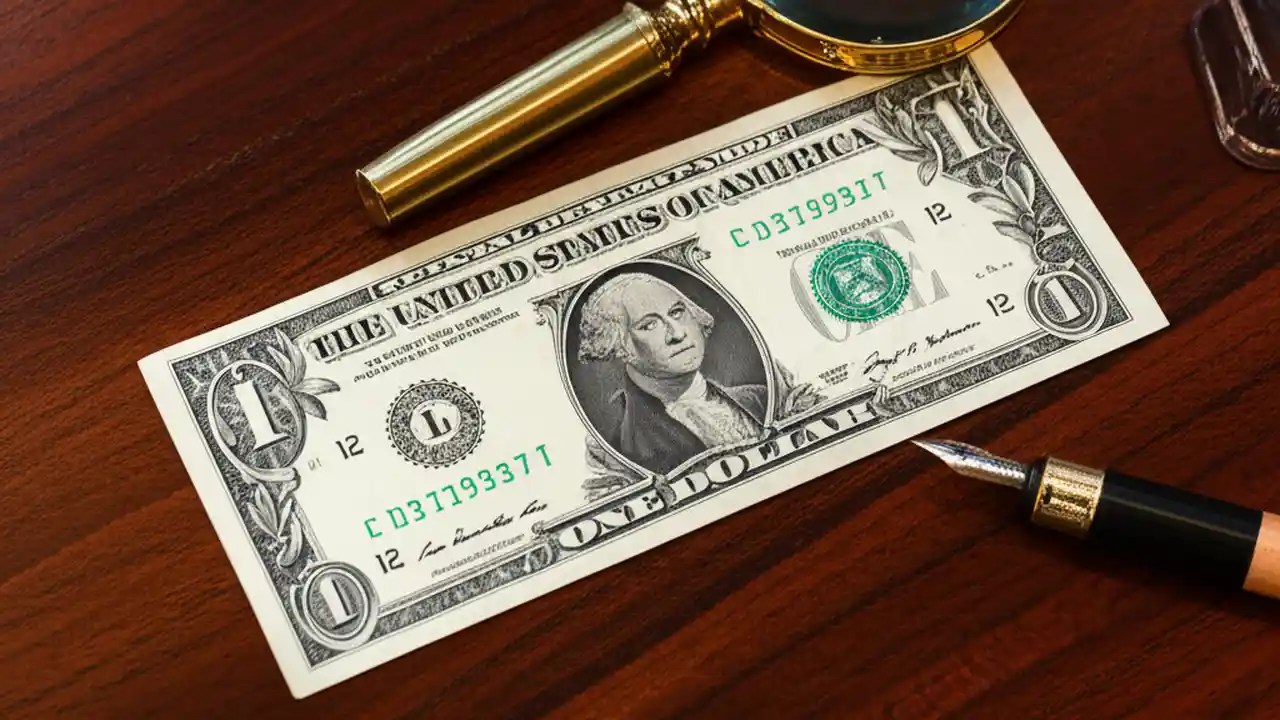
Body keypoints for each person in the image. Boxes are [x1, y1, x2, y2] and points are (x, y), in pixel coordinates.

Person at [578, 272, 766, 474]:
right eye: (649, 325)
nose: (678, 333)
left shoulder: (759, 398)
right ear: (617, 345)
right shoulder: (623, 450)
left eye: (676, 312)